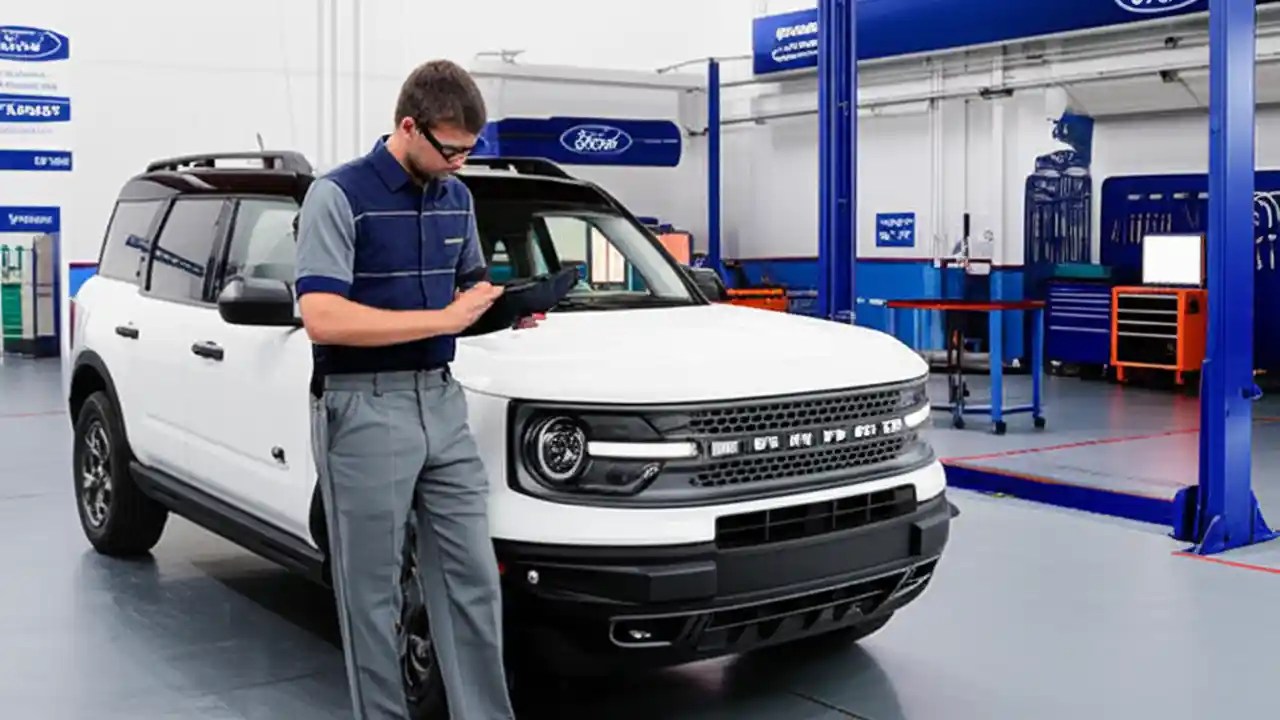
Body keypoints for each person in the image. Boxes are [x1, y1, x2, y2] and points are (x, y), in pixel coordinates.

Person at [294, 59, 524, 719]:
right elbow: (322, 316)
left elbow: (468, 289)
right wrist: (443, 319)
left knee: (473, 584)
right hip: (362, 406)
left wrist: (504, 304)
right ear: (407, 126)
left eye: (469, 151)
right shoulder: (338, 196)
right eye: (449, 149)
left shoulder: (459, 197)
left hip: (440, 401)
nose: (458, 162)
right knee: (373, 596)